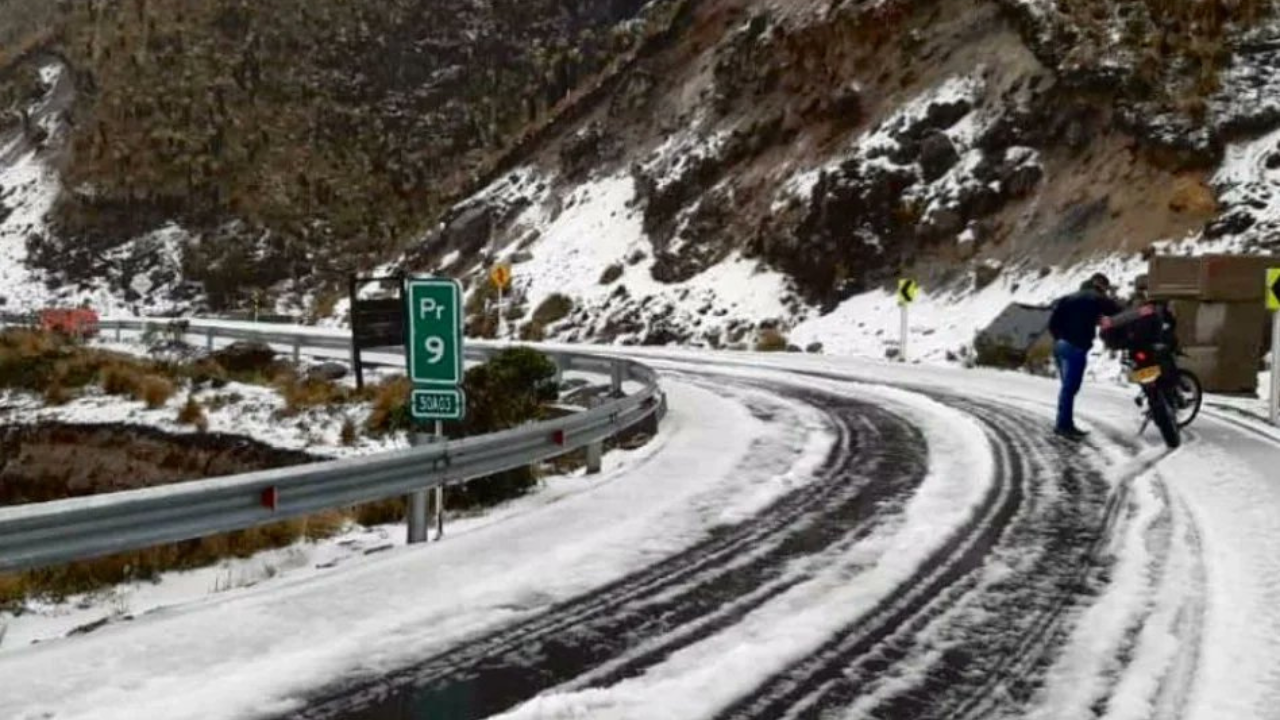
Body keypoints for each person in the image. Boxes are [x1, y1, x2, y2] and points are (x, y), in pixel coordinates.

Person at [1048, 273, 1122, 440]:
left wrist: (1060, 338)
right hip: (1076, 347)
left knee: (1066, 389)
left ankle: (1065, 423)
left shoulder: (1068, 298)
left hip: (1060, 346)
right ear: (1101, 286)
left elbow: (1052, 323)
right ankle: (1063, 426)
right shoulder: (1096, 298)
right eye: (1105, 289)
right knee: (1070, 389)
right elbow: (1117, 312)